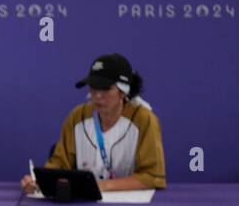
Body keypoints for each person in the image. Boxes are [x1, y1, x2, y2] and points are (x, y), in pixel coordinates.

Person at [21, 53, 165, 194]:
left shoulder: (144, 120)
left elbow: (152, 177)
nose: (97, 95)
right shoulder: (76, 117)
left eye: (105, 88)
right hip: (82, 204)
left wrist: (102, 186)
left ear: (123, 91)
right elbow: (59, 164)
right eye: (93, 87)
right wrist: (38, 182)